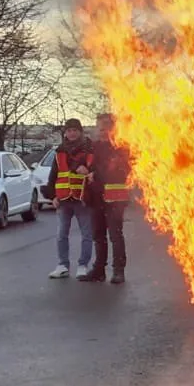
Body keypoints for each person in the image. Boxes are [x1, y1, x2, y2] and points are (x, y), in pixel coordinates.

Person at [79, 113, 130, 285]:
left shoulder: (121, 147)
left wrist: (96, 175)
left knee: (115, 235)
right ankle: (99, 270)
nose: (102, 131)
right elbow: (79, 161)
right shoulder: (92, 147)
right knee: (98, 235)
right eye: (99, 127)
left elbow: (119, 171)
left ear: (113, 129)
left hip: (114, 197)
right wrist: (81, 168)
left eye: (106, 127)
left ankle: (118, 271)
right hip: (95, 197)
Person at [47, 118, 94, 279]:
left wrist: (87, 171)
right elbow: (53, 176)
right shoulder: (59, 152)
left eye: (75, 130)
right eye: (69, 130)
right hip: (63, 199)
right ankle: (62, 265)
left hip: (82, 198)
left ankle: (83, 265)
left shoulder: (89, 149)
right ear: (65, 133)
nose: (72, 133)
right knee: (61, 234)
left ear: (80, 131)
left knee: (86, 234)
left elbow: (93, 170)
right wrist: (52, 196)